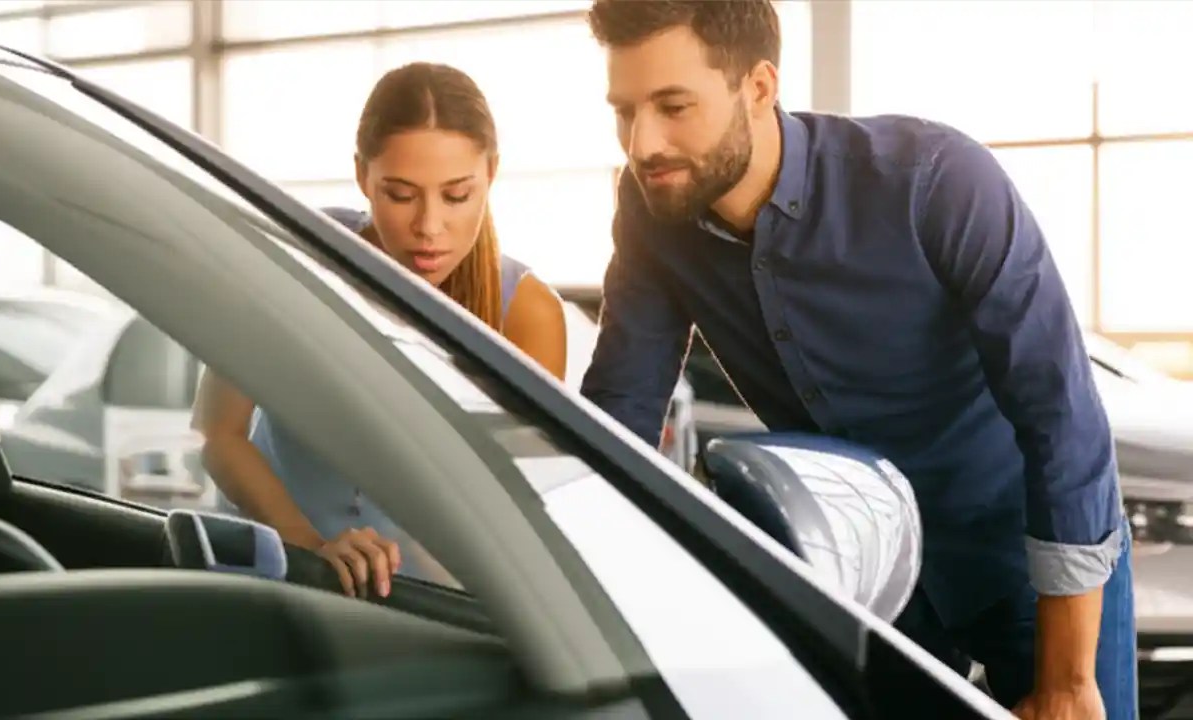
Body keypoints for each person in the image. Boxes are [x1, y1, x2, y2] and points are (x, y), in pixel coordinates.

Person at [579, 2, 1136, 718]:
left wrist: (1065, 680)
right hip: (866, 578)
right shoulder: (653, 209)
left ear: (758, 87)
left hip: (1034, 561)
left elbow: (1061, 414)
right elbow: (617, 416)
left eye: (673, 106)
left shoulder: (935, 181)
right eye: (624, 111)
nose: (643, 143)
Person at [192, 62, 568, 599]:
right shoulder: (290, 259)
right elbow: (217, 434)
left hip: (433, 605)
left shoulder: (528, 314)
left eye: (457, 195)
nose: (429, 227)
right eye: (400, 194)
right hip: (277, 577)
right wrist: (310, 549)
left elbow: (522, 507)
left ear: (492, 173)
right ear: (362, 175)